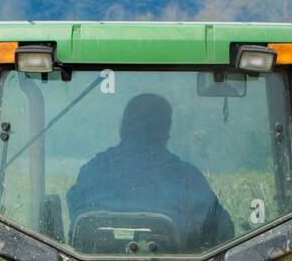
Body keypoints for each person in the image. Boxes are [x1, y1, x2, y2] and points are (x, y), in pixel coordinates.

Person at [67, 93, 234, 251]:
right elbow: (222, 232)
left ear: (123, 127)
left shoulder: (92, 171)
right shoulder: (187, 178)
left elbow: (75, 223)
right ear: (165, 131)